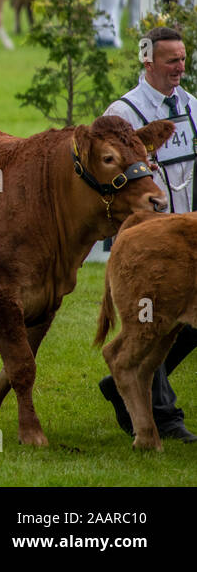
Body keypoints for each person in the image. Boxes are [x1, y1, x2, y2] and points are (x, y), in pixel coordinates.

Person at [99, 26, 196, 443]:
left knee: (179, 325)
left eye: (183, 58)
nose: (180, 66)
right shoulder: (123, 113)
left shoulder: (192, 106)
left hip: (186, 227)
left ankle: (122, 383)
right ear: (148, 62)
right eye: (172, 59)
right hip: (147, 236)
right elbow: (104, 173)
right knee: (153, 319)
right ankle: (162, 416)